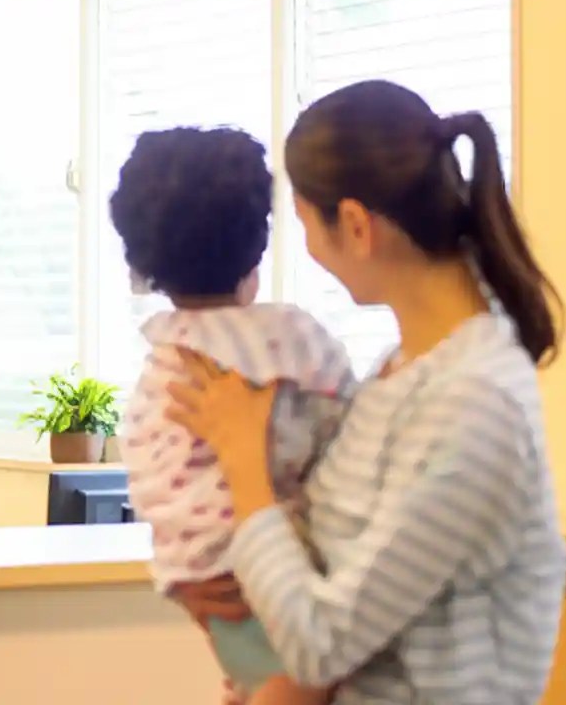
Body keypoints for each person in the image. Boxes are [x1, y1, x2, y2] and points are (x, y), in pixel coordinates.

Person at [165, 79, 566, 704]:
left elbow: (322, 641)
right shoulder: (396, 376)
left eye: (303, 222)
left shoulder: (476, 406)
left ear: (354, 225)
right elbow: (324, 586)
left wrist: (244, 463)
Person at [110, 126, 353, 705]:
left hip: (203, 585)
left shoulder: (161, 368)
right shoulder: (294, 340)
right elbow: (351, 429)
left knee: (258, 683)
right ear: (258, 244)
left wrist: (185, 563)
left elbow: (149, 484)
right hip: (288, 572)